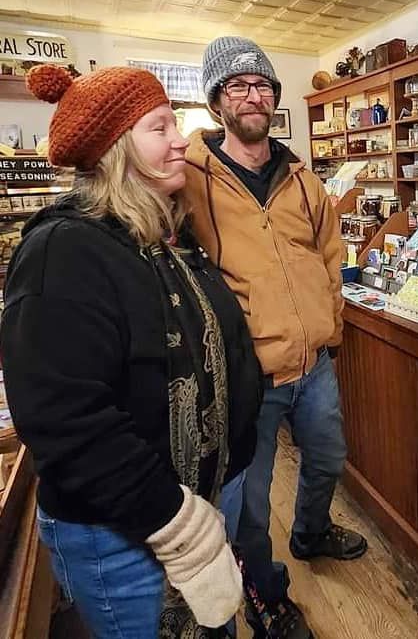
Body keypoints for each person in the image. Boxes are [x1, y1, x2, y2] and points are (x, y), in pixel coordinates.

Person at [0, 64, 263, 637]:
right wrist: (180, 526)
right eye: (161, 127)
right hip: (133, 535)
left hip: (202, 504)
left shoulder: (159, 236)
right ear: (117, 147)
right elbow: (65, 421)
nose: (180, 141)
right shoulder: (64, 251)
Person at [183, 37, 367, 639]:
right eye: (237, 86)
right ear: (218, 103)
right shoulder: (190, 179)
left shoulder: (302, 179)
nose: (252, 94)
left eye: (261, 85)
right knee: (251, 499)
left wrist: (330, 325)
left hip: (314, 363)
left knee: (328, 459)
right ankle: (264, 592)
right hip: (249, 374)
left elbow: (331, 256)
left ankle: (312, 532)